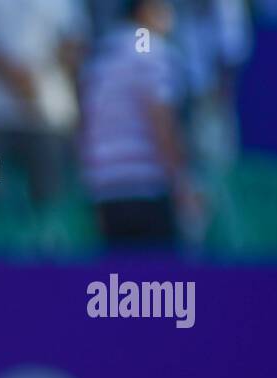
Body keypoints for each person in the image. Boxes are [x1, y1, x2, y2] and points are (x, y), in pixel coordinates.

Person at [0, 0, 89, 206]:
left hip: (47, 118)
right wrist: (13, 78)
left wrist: (39, 78)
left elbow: (74, 39)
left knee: (49, 201)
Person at [80, 0, 196, 247]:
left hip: (105, 190)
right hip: (147, 189)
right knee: (158, 282)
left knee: (117, 281)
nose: (171, 15)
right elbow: (162, 122)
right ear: (145, 9)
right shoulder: (154, 53)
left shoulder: (102, 57)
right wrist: (182, 184)